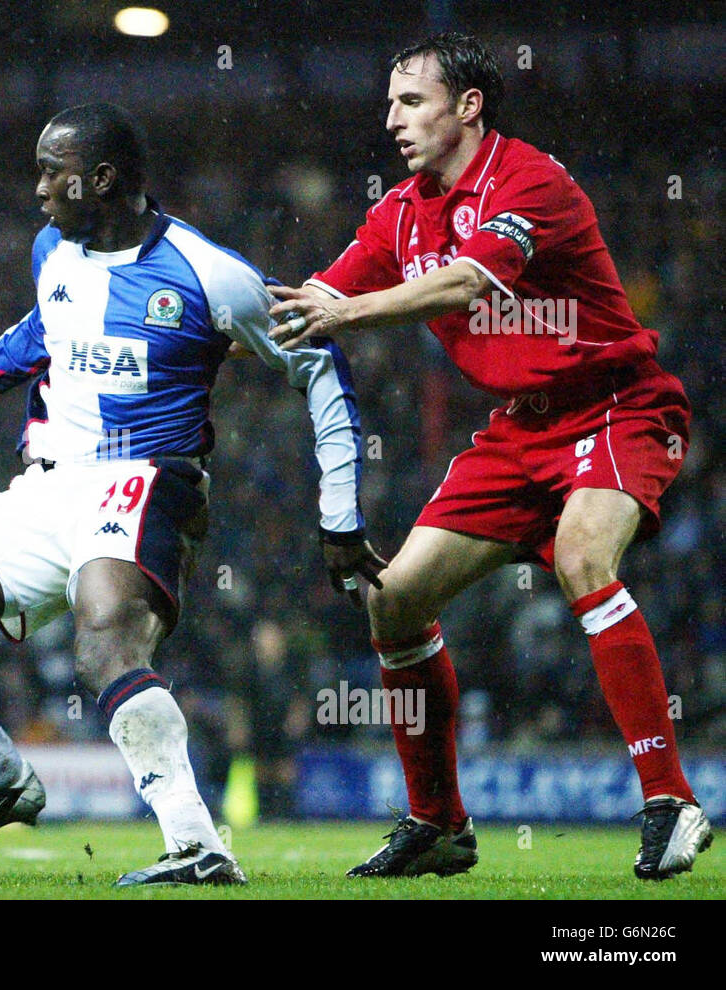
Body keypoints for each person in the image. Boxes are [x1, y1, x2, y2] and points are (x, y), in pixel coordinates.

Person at [0, 102, 379, 886]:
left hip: (146, 478)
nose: (37, 189)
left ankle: (197, 845)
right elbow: (45, 332)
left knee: (105, 640)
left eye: (50, 171)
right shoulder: (54, 250)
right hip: (46, 487)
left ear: (100, 178)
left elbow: (318, 367)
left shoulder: (212, 275)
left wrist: (340, 511)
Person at [269, 32, 711, 880]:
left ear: (466, 106)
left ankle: (669, 799)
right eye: (390, 102)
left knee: (584, 554)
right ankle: (438, 822)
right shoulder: (400, 210)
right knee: (393, 602)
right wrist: (214, 312)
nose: (391, 118)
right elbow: (320, 294)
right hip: (518, 430)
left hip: (616, 404)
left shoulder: (528, 180)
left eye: (410, 102)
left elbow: (471, 282)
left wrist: (346, 318)